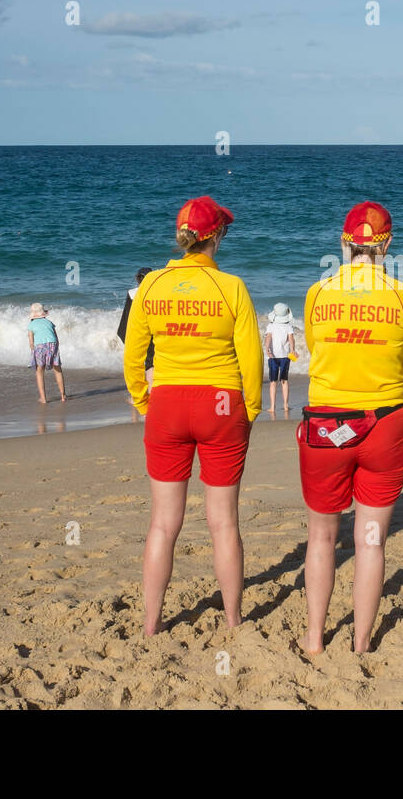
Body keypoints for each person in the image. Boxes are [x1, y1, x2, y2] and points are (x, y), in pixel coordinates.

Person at [123, 196, 263, 636]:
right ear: (216, 237)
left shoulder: (152, 286)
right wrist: (251, 410)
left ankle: (151, 623)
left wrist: (144, 401)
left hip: (167, 402)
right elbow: (252, 360)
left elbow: (132, 355)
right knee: (223, 522)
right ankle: (234, 619)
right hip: (221, 404)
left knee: (163, 524)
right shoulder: (232, 287)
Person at [299, 203, 403, 654]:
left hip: (326, 425)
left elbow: (315, 349)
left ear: (344, 242)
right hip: (385, 422)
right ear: (387, 245)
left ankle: (314, 639)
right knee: (371, 541)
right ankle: (362, 642)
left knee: (321, 537)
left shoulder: (318, 293)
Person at [117, 268, 155, 386]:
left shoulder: (133, 293)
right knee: (151, 364)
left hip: (137, 334)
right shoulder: (156, 293)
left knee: (139, 365)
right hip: (153, 334)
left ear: (138, 279)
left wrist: (127, 338)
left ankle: (142, 394)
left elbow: (126, 320)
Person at [27, 303, 66, 403]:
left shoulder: (31, 325)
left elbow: (31, 343)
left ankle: (43, 398)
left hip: (40, 346)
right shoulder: (49, 322)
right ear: (43, 313)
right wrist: (55, 349)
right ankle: (63, 395)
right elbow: (56, 338)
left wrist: (33, 352)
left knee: (39, 371)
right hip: (53, 344)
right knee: (57, 369)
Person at [264, 303, 296, 414]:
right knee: (284, 381)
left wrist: (267, 349)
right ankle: (286, 405)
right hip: (285, 357)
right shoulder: (289, 326)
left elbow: (268, 338)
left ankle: (272, 407)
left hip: (273, 357)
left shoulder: (271, 326)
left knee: (273, 382)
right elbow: (291, 339)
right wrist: (292, 350)